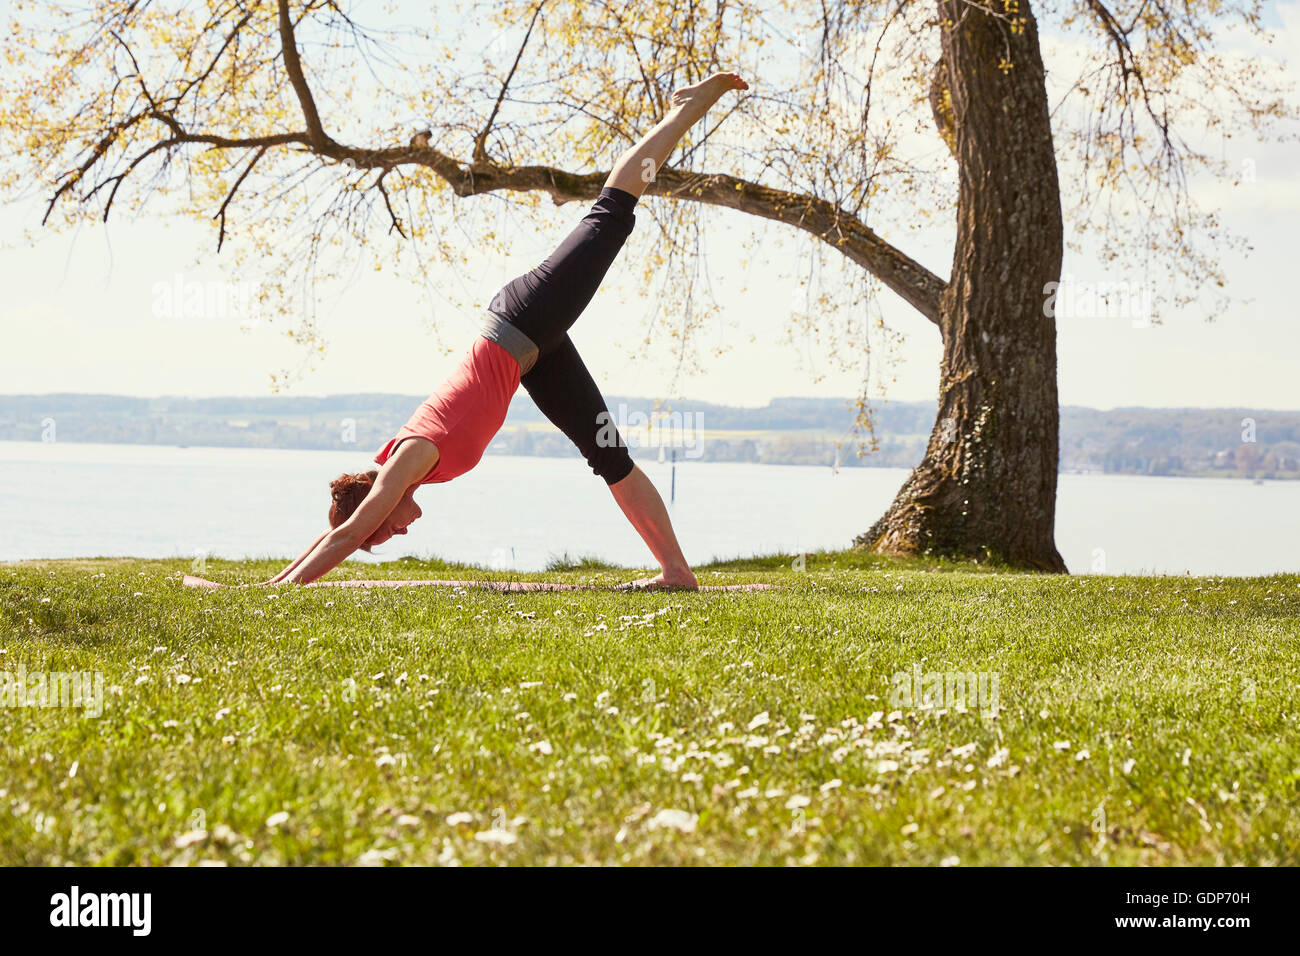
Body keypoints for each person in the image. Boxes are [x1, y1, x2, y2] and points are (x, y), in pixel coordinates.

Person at [268, 72, 749, 588]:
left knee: (611, 214)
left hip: (524, 319)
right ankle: (677, 573)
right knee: (608, 455)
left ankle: (685, 110)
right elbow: (336, 535)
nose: (395, 536)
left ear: (379, 507)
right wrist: (271, 583)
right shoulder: (410, 470)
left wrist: (276, 594)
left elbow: (343, 537)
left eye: (382, 533)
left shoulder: (407, 460)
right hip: (532, 354)